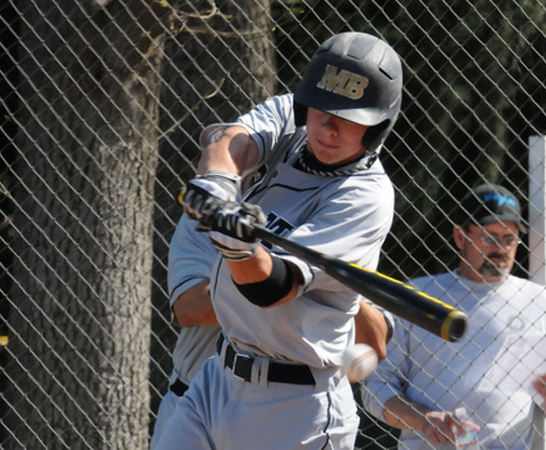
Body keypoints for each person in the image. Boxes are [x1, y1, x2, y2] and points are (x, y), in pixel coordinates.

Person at [152, 31, 404, 450]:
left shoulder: (365, 196)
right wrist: (218, 184)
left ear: (377, 125)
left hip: (295, 406)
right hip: (218, 378)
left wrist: (240, 248)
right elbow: (233, 141)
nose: (329, 127)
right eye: (321, 109)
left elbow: (271, 287)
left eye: (349, 117)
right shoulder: (291, 118)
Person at [361, 184, 546, 450]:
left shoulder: (540, 304)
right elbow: (376, 387)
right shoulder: (418, 297)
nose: (500, 249)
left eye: (509, 238)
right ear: (460, 236)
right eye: (489, 238)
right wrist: (424, 420)